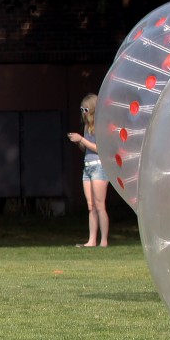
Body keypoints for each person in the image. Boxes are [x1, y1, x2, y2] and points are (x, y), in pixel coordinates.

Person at [67, 93, 109, 247]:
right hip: (88, 167)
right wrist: (78, 141)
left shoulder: (100, 126)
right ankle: (91, 240)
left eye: (85, 109)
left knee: (100, 204)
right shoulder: (86, 126)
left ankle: (103, 240)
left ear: (92, 109)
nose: (83, 112)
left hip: (99, 166)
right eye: (81, 109)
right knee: (90, 205)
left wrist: (82, 139)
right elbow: (86, 148)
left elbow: (99, 148)